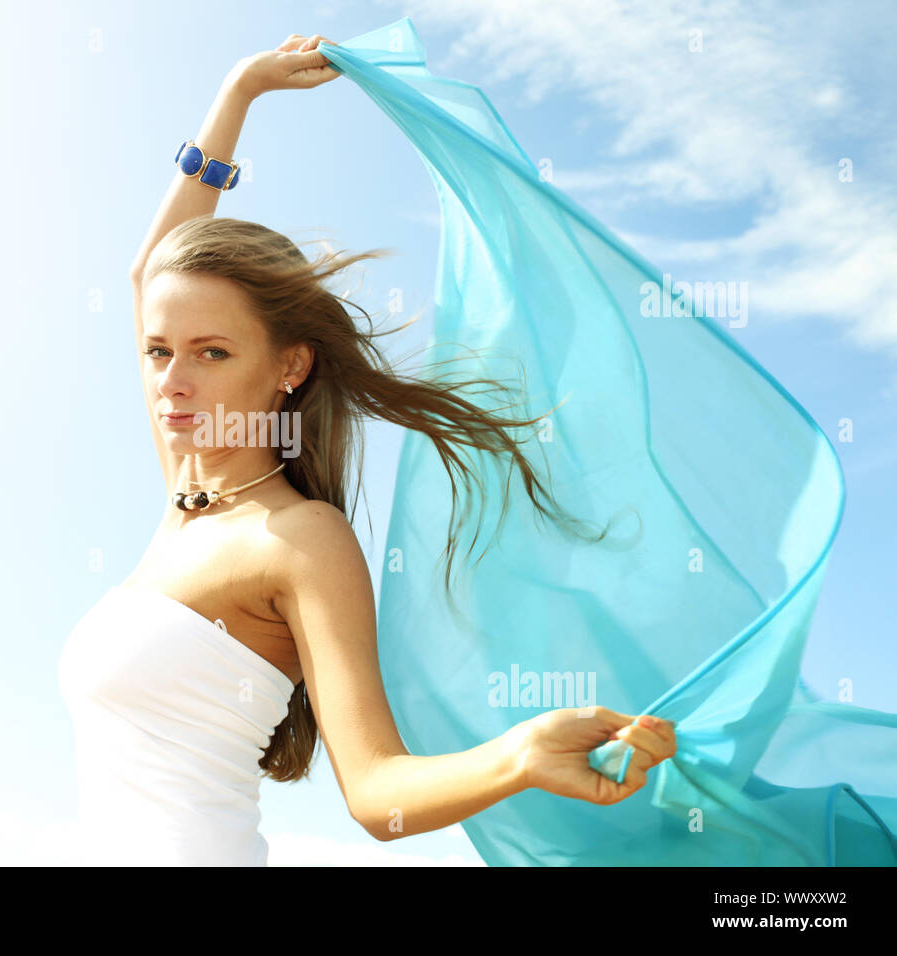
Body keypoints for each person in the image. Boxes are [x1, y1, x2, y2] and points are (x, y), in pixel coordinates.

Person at [57, 32, 676, 866]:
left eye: (212, 353)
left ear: (290, 366)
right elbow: (148, 280)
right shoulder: (188, 502)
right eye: (159, 351)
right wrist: (239, 91)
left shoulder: (303, 539)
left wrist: (518, 756)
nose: (172, 379)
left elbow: (377, 793)